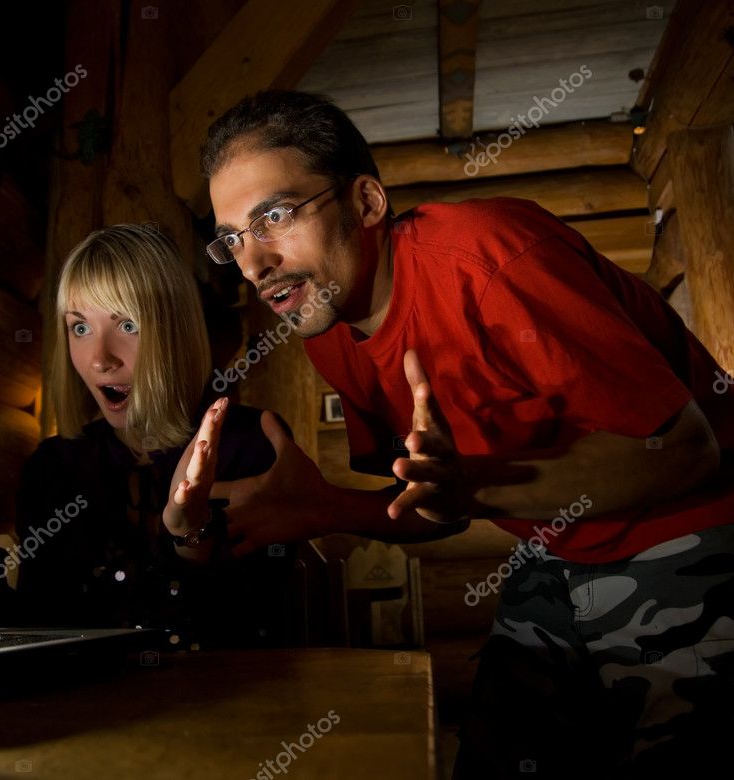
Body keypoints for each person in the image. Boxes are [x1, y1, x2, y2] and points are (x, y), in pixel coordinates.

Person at [199, 90, 734, 776]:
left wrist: (474, 488)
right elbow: (440, 504)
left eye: (273, 217)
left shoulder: (492, 256)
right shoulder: (327, 334)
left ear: (366, 203)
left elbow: (686, 451)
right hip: (558, 546)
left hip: (696, 524)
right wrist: (325, 508)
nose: (252, 264)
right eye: (233, 239)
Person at [0, 223, 296, 650]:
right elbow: (34, 654)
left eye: (127, 325)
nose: (99, 359)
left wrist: (190, 541)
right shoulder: (53, 468)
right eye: (80, 328)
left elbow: (253, 637)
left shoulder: (252, 444)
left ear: (176, 331)